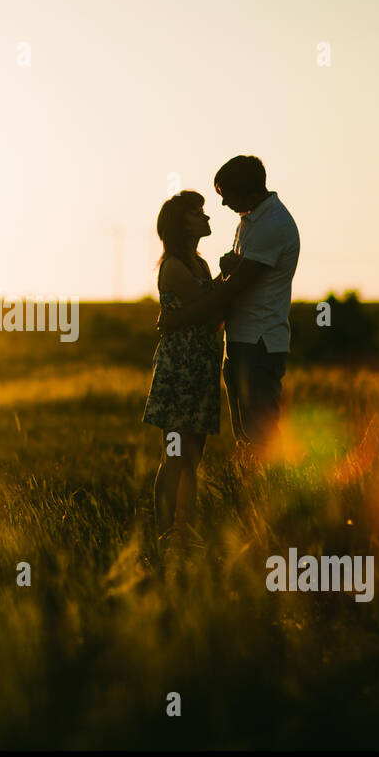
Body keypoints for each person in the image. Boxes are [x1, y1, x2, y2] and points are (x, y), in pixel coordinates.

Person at [157, 156, 300, 449]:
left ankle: (276, 490)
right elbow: (229, 285)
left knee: (262, 435)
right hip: (241, 340)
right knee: (246, 436)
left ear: (249, 193)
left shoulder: (272, 225)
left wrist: (175, 320)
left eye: (226, 196)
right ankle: (256, 492)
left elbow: (230, 291)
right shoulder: (250, 221)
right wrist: (227, 270)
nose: (222, 206)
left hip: (259, 343)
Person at [142, 191, 223, 555]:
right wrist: (232, 276)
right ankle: (163, 533)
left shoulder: (201, 265)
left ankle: (183, 530)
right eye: (197, 212)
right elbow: (209, 306)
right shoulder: (173, 266)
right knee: (174, 454)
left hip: (201, 368)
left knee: (194, 456)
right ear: (181, 223)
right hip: (180, 371)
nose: (206, 217)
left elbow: (211, 304)